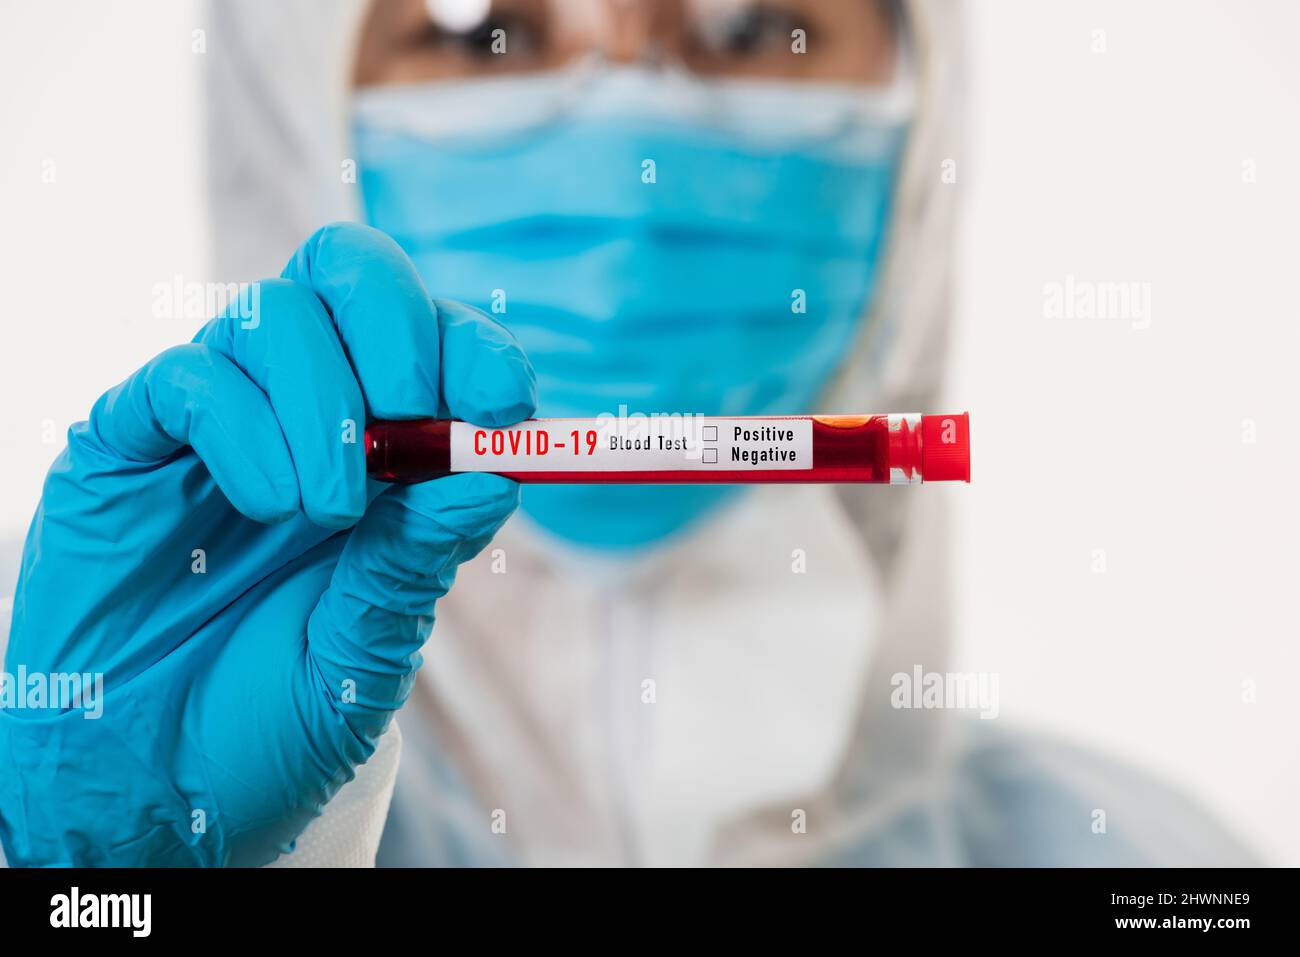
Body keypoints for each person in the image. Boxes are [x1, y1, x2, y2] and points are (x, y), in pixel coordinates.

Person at [0, 0, 1255, 867]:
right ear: (283, 108)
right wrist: (96, 894)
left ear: (927, 102)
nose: (630, 127)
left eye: (755, 22)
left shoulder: (1154, 865)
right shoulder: (65, 747)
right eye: (484, 30)